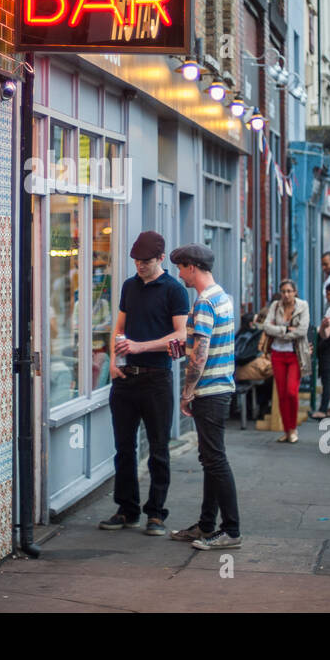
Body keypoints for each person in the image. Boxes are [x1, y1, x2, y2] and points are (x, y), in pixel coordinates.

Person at [100, 231, 189, 535]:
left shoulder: (174, 290)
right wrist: (113, 360)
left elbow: (181, 335)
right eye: (137, 260)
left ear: (160, 259)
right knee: (123, 448)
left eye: (146, 261)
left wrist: (140, 347)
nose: (140, 265)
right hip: (125, 379)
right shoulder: (129, 286)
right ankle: (127, 510)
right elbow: (120, 327)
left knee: (158, 448)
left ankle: (156, 514)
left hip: (156, 379)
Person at [167, 243, 241, 550]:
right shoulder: (222, 296)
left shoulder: (204, 303)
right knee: (211, 459)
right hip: (220, 387)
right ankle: (207, 524)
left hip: (209, 390)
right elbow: (197, 346)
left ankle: (231, 530)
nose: (180, 274)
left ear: (192, 267)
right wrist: (182, 348)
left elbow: (201, 354)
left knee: (215, 460)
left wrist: (187, 392)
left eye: (181, 268)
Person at [260, 279, 310, 444]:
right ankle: (287, 431)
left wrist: (280, 332)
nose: (286, 294)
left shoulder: (303, 306)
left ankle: (293, 428)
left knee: (291, 392)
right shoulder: (275, 306)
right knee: (281, 394)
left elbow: (303, 330)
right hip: (277, 354)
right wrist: (287, 330)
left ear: (295, 292)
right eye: (284, 291)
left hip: (295, 354)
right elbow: (266, 327)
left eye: (289, 291)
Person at [312, 283, 330, 419]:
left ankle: (323, 409)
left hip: (328, 349)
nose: (327, 297)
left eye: (329, 293)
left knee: (327, 379)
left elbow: (327, 334)